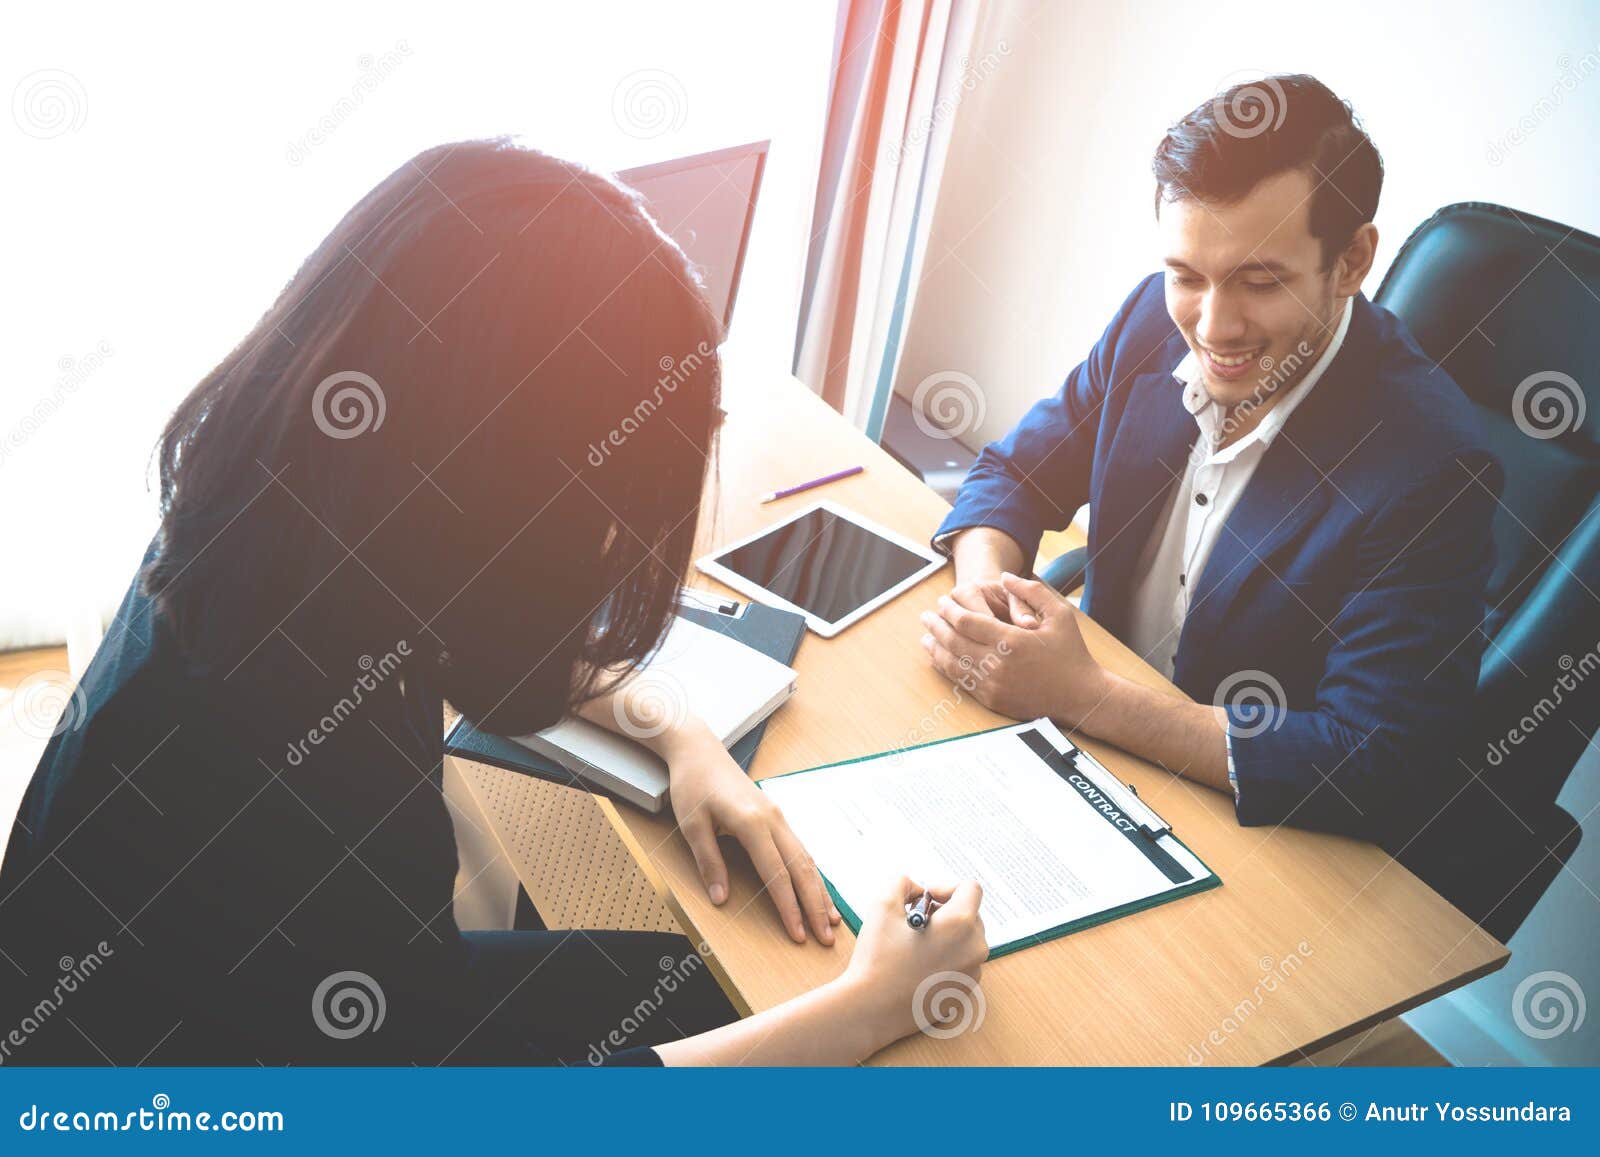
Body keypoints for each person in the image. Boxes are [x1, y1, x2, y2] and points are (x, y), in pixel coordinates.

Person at [0, 140, 986, 1066]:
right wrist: (869, 1006)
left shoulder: (282, 514)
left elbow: (475, 635)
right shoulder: (287, 782)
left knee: (676, 981)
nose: (606, 552)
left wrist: (678, 732)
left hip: (301, 1008)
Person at [923, 76, 1500, 855]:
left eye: (1260, 282)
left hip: (1237, 827)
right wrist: (981, 607)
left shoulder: (1431, 464)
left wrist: (1087, 696)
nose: (1214, 326)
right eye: (1189, 276)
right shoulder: (1149, 323)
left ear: (1352, 260)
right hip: (1065, 755)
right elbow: (1015, 473)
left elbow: (1373, 757)